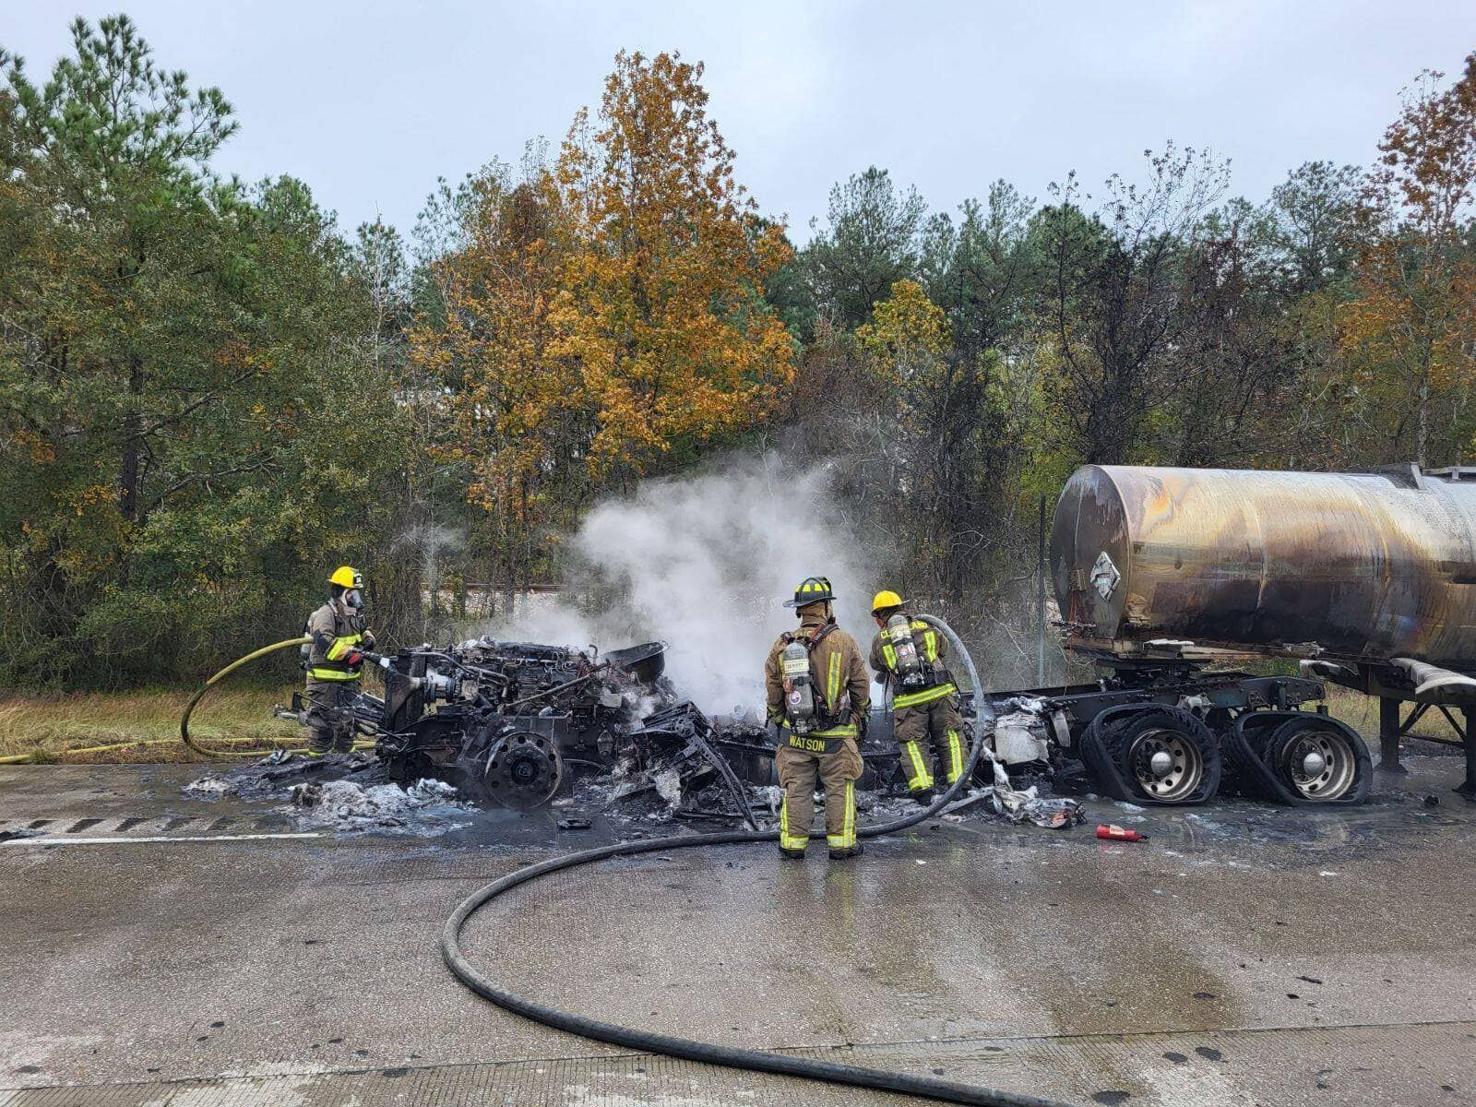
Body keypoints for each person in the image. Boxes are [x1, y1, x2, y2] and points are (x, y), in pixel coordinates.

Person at [764, 576, 870, 861]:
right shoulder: (844, 640)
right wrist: (860, 713)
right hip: (835, 735)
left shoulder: (782, 645)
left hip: (795, 735)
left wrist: (778, 718)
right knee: (839, 787)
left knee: (797, 789)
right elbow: (860, 684)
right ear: (825, 606)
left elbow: (773, 690)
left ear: (800, 610)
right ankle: (842, 845)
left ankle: (793, 845)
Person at [868, 589, 964, 802]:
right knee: (951, 738)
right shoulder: (926, 626)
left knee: (913, 744)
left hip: (909, 700)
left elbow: (875, 663)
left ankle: (924, 793)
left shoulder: (881, 638)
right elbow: (944, 648)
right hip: (941, 693)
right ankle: (960, 787)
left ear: (879, 617)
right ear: (902, 607)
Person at [303, 565, 374, 753]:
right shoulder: (326, 614)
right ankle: (315, 769)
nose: (356, 598)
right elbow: (324, 641)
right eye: (352, 593)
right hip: (325, 683)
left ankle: (345, 767)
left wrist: (368, 639)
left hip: (348, 682)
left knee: (347, 727)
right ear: (341, 592)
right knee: (323, 727)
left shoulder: (354, 614)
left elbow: (362, 630)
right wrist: (350, 654)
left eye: (357, 594)